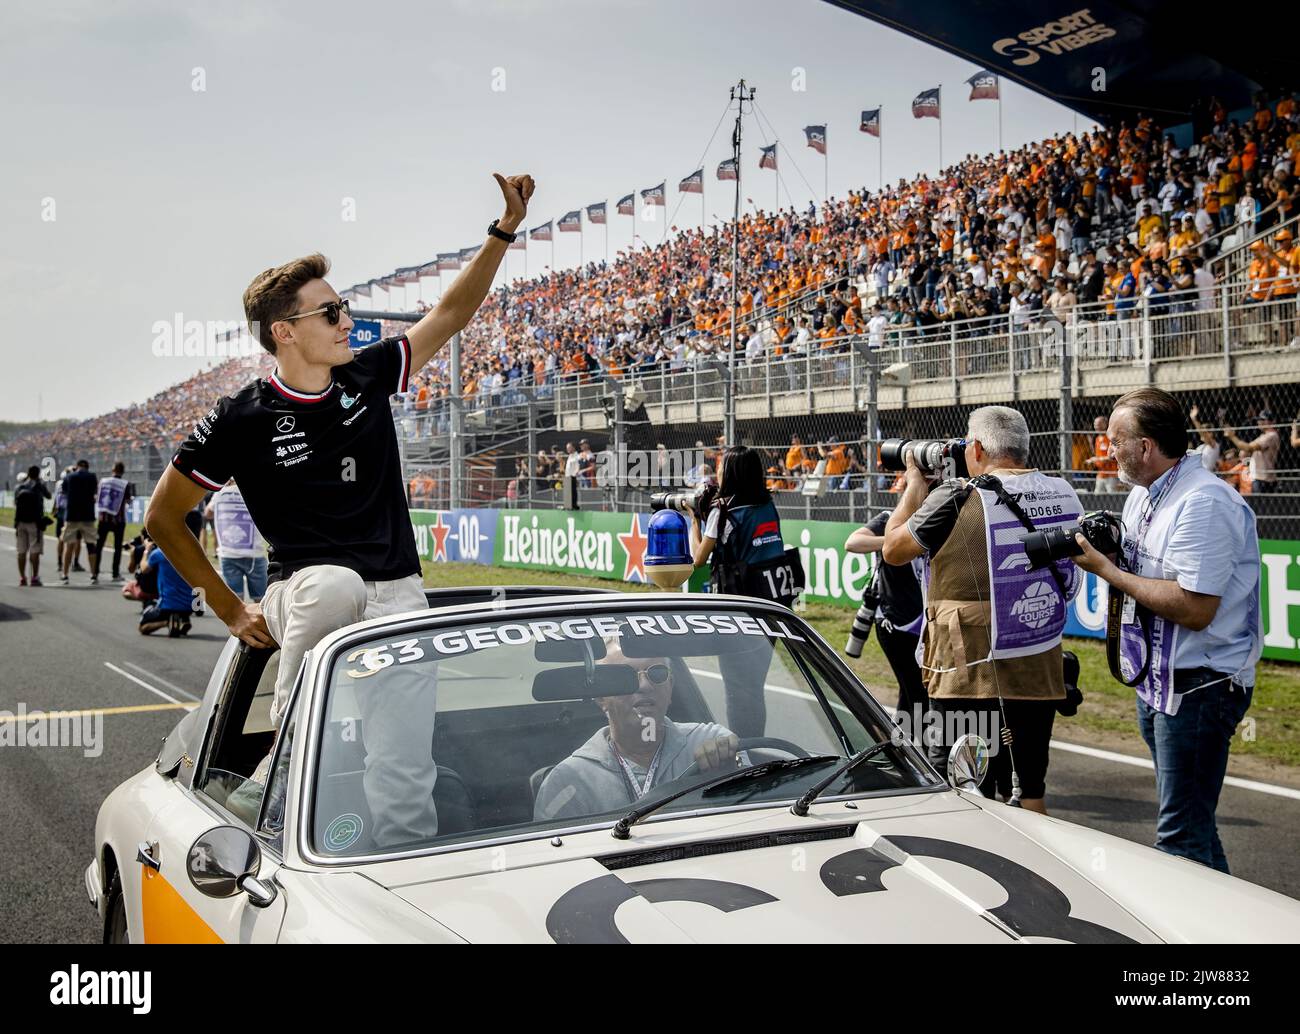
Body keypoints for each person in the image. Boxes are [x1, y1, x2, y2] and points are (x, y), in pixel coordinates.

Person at [146, 170, 535, 847]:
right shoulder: (240, 416)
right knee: (336, 584)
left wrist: (503, 231)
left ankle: (397, 879)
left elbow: (450, 314)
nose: (347, 320)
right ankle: (287, 760)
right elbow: (161, 518)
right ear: (284, 332)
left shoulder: (366, 374)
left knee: (405, 772)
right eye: (330, 313)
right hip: (303, 592)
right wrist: (227, 605)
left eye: (343, 306)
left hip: (399, 593)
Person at [1071, 387, 1259, 874]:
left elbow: (1195, 608)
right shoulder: (1142, 495)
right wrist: (1112, 555)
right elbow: (1144, 574)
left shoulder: (1204, 502)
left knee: (1177, 842)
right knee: (1194, 824)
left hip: (1201, 684)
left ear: (1146, 446)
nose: (1106, 450)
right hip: (1158, 677)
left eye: (1115, 441)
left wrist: (1106, 572)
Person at [882, 406, 1083, 814]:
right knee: (1031, 788)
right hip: (1037, 659)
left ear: (975, 446)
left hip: (966, 669)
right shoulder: (1062, 491)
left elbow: (893, 549)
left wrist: (914, 483)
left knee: (963, 790)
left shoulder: (958, 495)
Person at [533, 644, 743, 822]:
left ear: (670, 688)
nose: (644, 686)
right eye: (626, 677)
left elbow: (756, 823)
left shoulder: (714, 743)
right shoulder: (569, 781)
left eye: (657, 674)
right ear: (601, 699)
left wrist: (730, 781)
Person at [688, 445, 792, 737]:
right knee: (753, 685)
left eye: (721, 467)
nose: (717, 471)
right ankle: (754, 742)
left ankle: (745, 750)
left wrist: (695, 519)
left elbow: (698, 559)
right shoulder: (767, 504)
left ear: (731, 472)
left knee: (736, 686)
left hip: (738, 608)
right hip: (771, 605)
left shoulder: (723, 511)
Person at [845, 510, 927, 726]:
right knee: (918, 694)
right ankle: (925, 755)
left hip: (925, 623)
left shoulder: (937, 514)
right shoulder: (889, 519)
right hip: (894, 625)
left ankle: (898, 749)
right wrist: (895, 539)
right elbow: (853, 543)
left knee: (909, 693)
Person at [206, 478, 268, 602]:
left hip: (228, 554)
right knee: (261, 602)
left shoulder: (220, 493)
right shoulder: (255, 490)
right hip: (254, 554)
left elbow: (208, 513)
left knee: (236, 602)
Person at [138, 534, 194, 637]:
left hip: (167, 605)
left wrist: (146, 550)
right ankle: (183, 619)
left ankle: (168, 622)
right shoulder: (191, 553)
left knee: (142, 627)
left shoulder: (159, 553)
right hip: (189, 605)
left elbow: (144, 569)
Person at [92, 461, 134, 582]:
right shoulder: (125, 484)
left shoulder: (103, 481)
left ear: (112, 470)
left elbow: (98, 496)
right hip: (118, 519)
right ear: (123, 471)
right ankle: (115, 573)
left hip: (103, 518)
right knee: (117, 547)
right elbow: (128, 500)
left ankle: (95, 572)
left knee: (99, 546)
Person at [59, 459, 98, 584]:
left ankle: (65, 574)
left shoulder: (70, 476)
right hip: (88, 515)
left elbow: (64, 491)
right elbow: (94, 491)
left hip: (72, 515)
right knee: (91, 545)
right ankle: (93, 574)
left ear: (77, 466)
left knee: (69, 545)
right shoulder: (92, 477)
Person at [13, 466, 51, 587]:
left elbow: (15, 502)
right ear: (38, 474)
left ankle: (22, 577)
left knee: (21, 551)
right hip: (35, 521)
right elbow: (49, 496)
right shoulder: (39, 485)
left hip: (20, 521)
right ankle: (34, 577)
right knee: (35, 549)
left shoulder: (19, 487)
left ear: (28, 474)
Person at [1225, 411, 1281, 493]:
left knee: (1260, 504)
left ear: (1271, 421)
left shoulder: (1271, 435)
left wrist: (1232, 437)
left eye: (1262, 419)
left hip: (1264, 479)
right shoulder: (1264, 436)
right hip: (1259, 477)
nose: (1259, 422)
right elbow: (1246, 449)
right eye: (1259, 420)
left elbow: (1248, 448)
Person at [1084, 414, 1120, 492]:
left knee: (1112, 496)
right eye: (1095, 424)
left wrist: (1097, 459)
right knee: (1097, 496)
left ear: (1105, 424)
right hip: (1101, 474)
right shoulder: (1097, 439)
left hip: (1111, 474)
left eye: (1099, 424)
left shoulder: (1110, 438)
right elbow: (1098, 454)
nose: (1096, 426)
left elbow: (1114, 456)